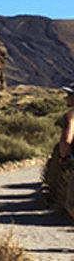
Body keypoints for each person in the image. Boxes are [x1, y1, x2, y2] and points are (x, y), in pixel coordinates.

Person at [59, 83, 74, 218]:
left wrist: (62, 156)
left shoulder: (71, 116)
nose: (66, 98)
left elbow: (67, 140)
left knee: (71, 205)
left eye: (70, 95)